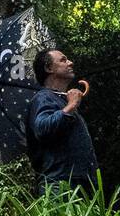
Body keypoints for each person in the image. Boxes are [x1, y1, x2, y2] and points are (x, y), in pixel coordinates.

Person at [26, 47, 99, 195]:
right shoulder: (42, 98)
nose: (70, 63)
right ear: (49, 68)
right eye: (63, 60)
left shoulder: (60, 100)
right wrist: (71, 106)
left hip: (82, 186)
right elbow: (42, 128)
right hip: (60, 187)